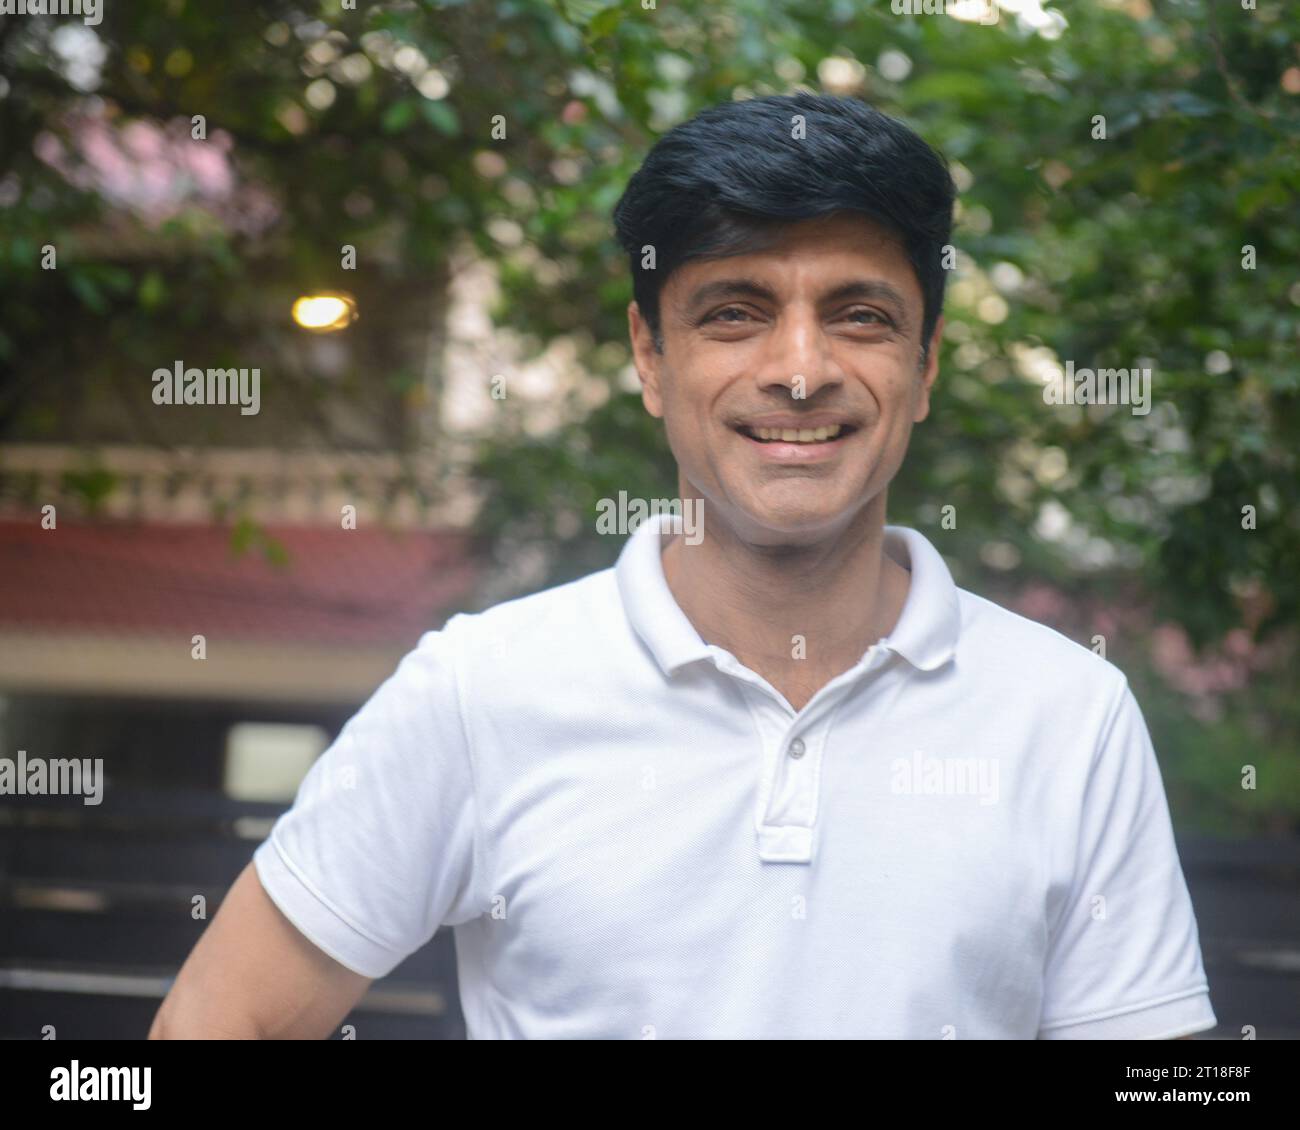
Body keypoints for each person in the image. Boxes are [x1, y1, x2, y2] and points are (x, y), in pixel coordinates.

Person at [150, 93, 1215, 1040]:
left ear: (924, 366)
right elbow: (217, 1019)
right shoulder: (481, 688)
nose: (799, 371)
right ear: (650, 358)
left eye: (860, 316)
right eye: (733, 313)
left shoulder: (1070, 713)